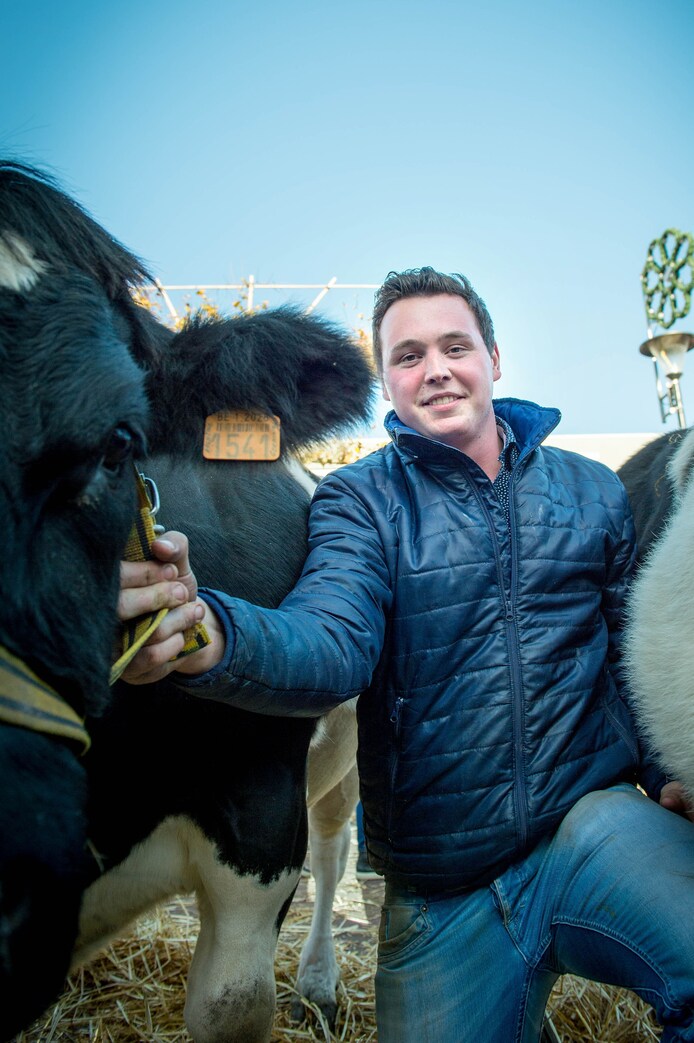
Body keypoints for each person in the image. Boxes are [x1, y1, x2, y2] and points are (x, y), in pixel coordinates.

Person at [120, 269, 694, 1042]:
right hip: (440, 893)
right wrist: (210, 631)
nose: (436, 369)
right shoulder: (360, 500)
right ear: (388, 381)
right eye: (409, 354)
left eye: (455, 346)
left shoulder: (592, 491)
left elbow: (638, 660)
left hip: (593, 832)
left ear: (494, 356)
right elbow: (330, 642)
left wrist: (669, 779)